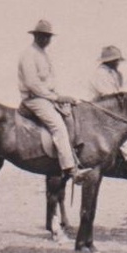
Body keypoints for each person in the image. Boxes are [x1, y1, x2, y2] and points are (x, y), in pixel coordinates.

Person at [18, 19, 88, 182]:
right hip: (35, 99)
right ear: (35, 36)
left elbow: (50, 82)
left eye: (48, 37)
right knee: (58, 126)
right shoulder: (28, 55)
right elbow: (32, 84)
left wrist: (61, 98)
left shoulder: (43, 55)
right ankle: (70, 169)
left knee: (72, 114)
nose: (45, 40)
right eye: (42, 36)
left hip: (47, 97)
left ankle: (75, 157)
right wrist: (56, 97)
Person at [88, 45, 127, 168]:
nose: (117, 63)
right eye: (115, 60)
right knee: (119, 127)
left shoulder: (116, 74)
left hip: (113, 106)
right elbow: (107, 94)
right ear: (108, 61)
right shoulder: (100, 73)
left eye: (117, 60)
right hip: (99, 106)